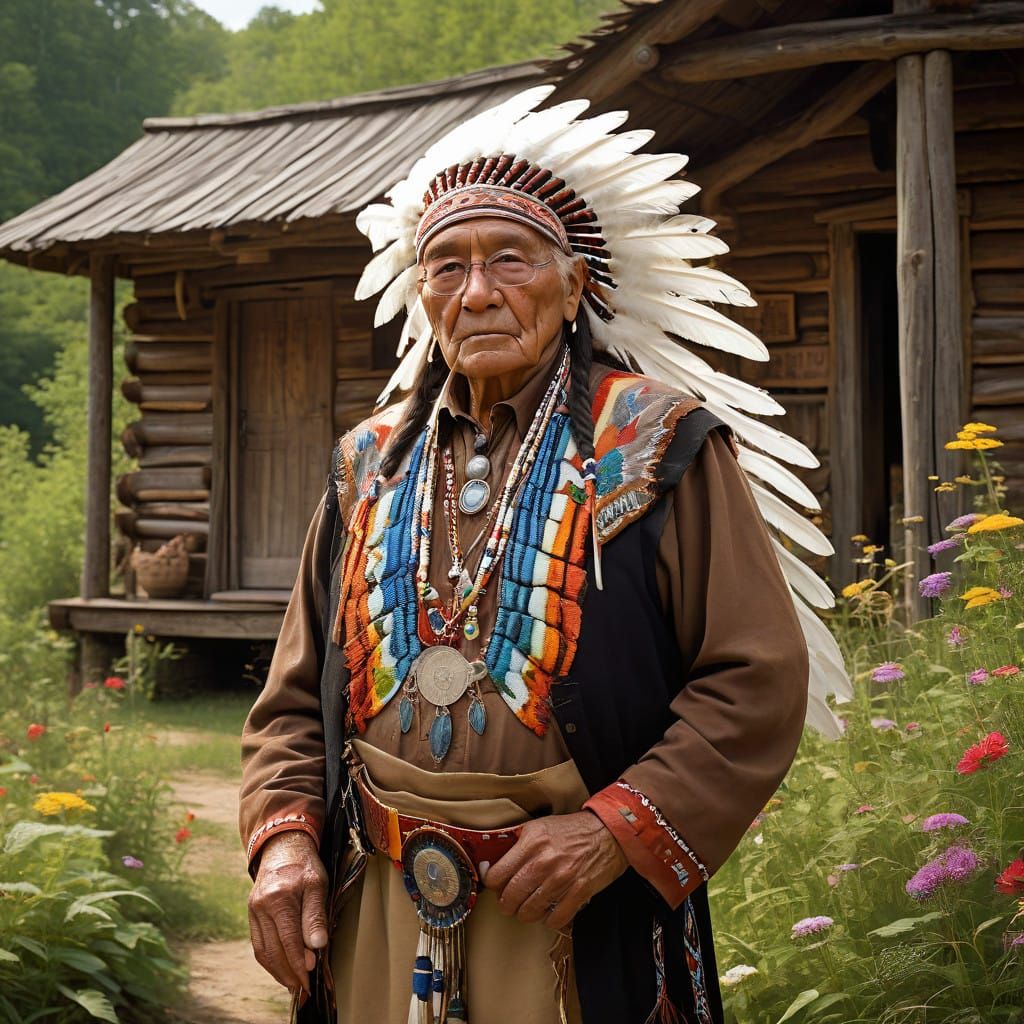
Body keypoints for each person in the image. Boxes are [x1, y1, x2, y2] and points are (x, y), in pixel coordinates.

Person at [239, 86, 844, 1024]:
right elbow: (292, 695)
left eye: (508, 260)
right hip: (379, 912)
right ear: (422, 293)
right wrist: (282, 840)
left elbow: (753, 678)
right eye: (445, 266)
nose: (475, 291)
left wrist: (613, 832)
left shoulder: (654, 444)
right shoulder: (368, 464)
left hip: (573, 904)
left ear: (574, 286)